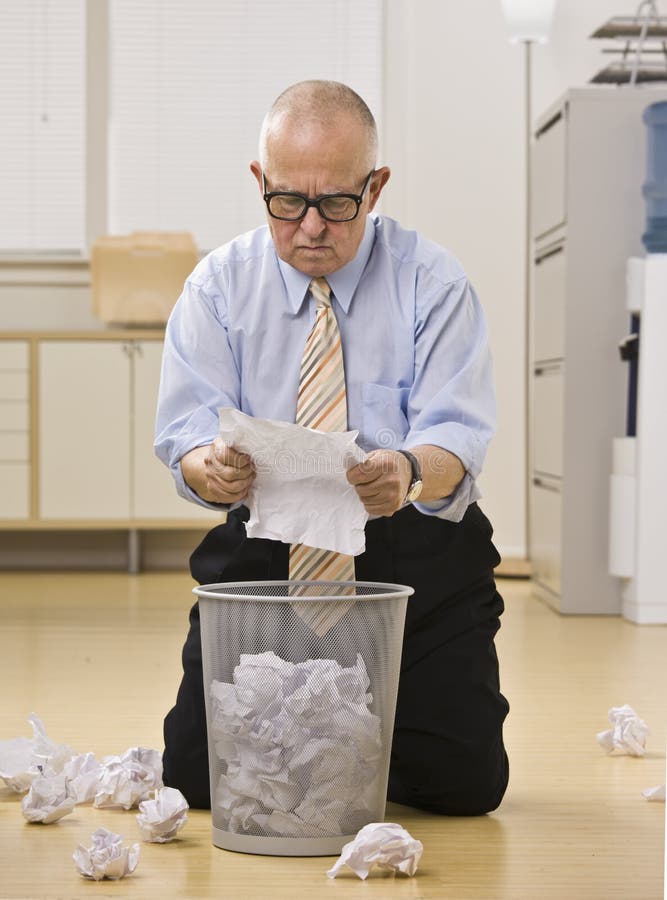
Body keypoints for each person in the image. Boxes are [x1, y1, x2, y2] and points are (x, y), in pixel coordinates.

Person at [155, 80, 509, 816]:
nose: (311, 226)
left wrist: (408, 469)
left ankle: (370, 733)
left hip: (412, 544)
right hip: (269, 544)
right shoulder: (218, 286)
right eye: (288, 201)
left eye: (336, 203)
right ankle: (331, 730)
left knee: (463, 787)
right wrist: (209, 468)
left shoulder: (431, 282)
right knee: (193, 779)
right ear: (260, 183)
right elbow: (185, 433)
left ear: (374, 187)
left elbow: (456, 433)